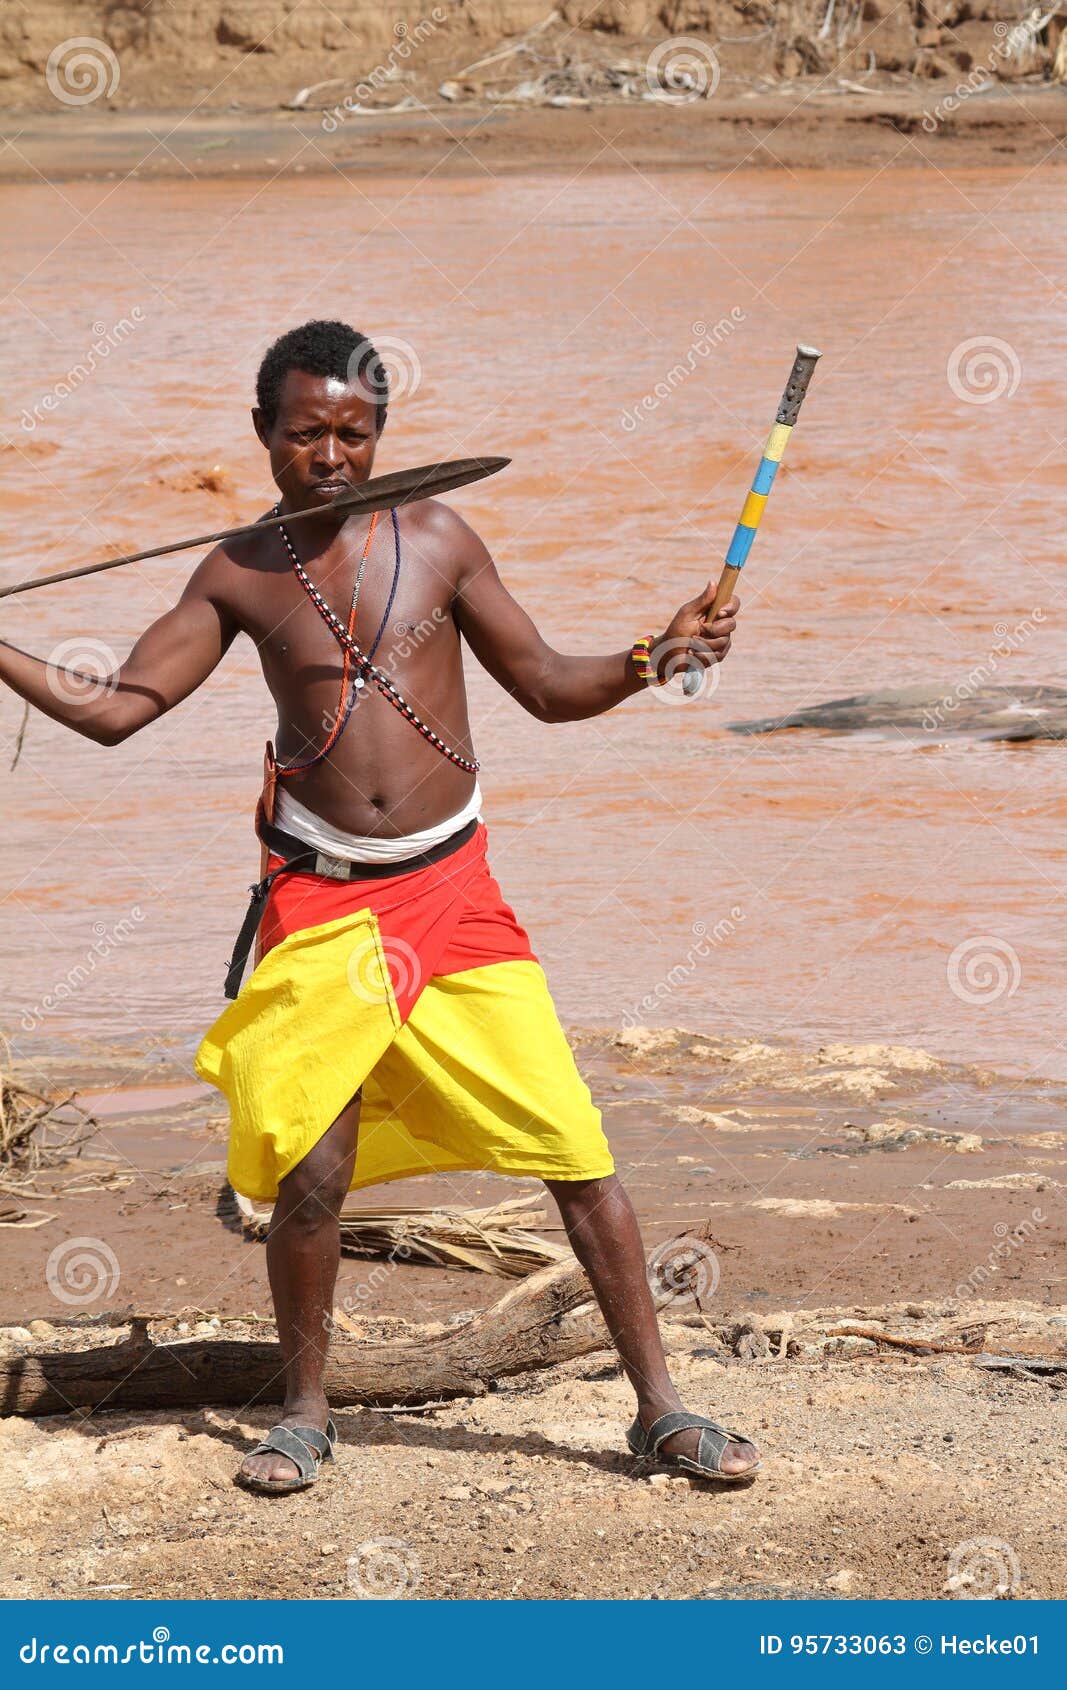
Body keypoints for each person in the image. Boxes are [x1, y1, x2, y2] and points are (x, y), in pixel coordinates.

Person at [0, 319, 758, 1495]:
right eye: (305, 434)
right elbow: (114, 710)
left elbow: (552, 687)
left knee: (574, 1145)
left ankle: (659, 1409)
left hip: (452, 890)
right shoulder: (239, 570)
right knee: (312, 1167)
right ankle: (303, 1414)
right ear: (263, 437)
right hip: (322, 902)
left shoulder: (442, 537)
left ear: (381, 435)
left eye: (352, 433)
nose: (331, 455)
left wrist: (652, 656)